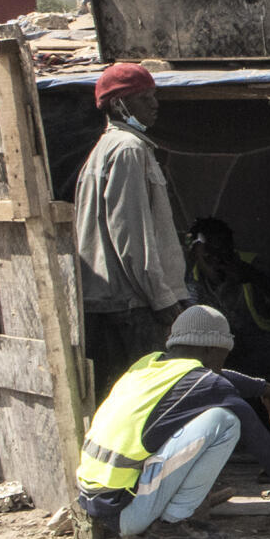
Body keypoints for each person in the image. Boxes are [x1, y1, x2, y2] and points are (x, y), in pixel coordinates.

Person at [72, 304, 270, 539]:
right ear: (211, 349)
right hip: (126, 512)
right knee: (226, 421)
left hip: (95, 501)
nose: (223, 363)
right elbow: (258, 439)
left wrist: (264, 388)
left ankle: (161, 520)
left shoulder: (148, 364)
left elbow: (219, 378)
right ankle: (170, 529)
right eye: (224, 355)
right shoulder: (206, 384)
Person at [73, 62, 190, 394]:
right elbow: (130, 233)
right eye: (144, 98)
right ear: (119, 104)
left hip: (112, 301)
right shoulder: (128, 150)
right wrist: (162, 298)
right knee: (145, 399)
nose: (155, 104)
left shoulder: (105, 150)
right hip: (131, 304)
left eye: (154, 96)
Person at [186, 215, 270, 382]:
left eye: (223, 251)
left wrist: (254, 277)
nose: (217, 260)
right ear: (194, 254)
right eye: (209, 254)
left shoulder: (252, 265)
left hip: (266, 347)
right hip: (228, 352)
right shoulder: (192, 280)